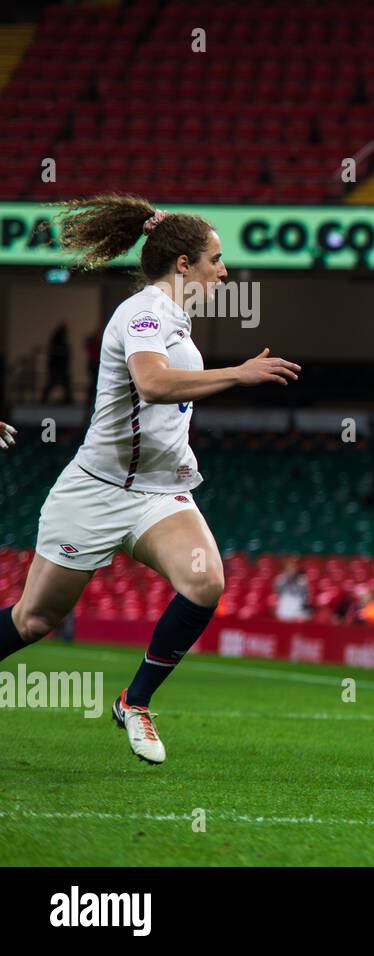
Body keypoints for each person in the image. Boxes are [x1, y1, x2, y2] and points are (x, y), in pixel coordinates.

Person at [0, 194, 300, 764]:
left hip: (159, 492)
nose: (225, 270)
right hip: (96, 490)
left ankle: (135, 703)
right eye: (215, 258)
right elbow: (153, 385)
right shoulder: (143, 312)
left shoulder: (178, 320)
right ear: (183, 264)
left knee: (206, 581)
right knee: (35, 619)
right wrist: (240, 373)